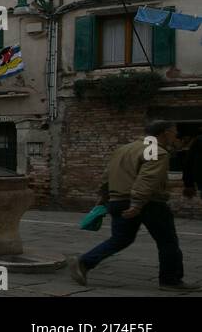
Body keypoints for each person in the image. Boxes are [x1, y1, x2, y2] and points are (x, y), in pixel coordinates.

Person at [71, 121, 198, 292]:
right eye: (174, 133)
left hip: (117, 200)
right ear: (165, 133)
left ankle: (84, 262)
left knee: (120, 239)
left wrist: (103, 198)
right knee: (167, 241)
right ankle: (171, 280)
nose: (176, 137)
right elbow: (147, 179)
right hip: (148, 203)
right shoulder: (154, 150)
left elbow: (106, 176)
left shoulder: (124, 149)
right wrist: (137, 204)